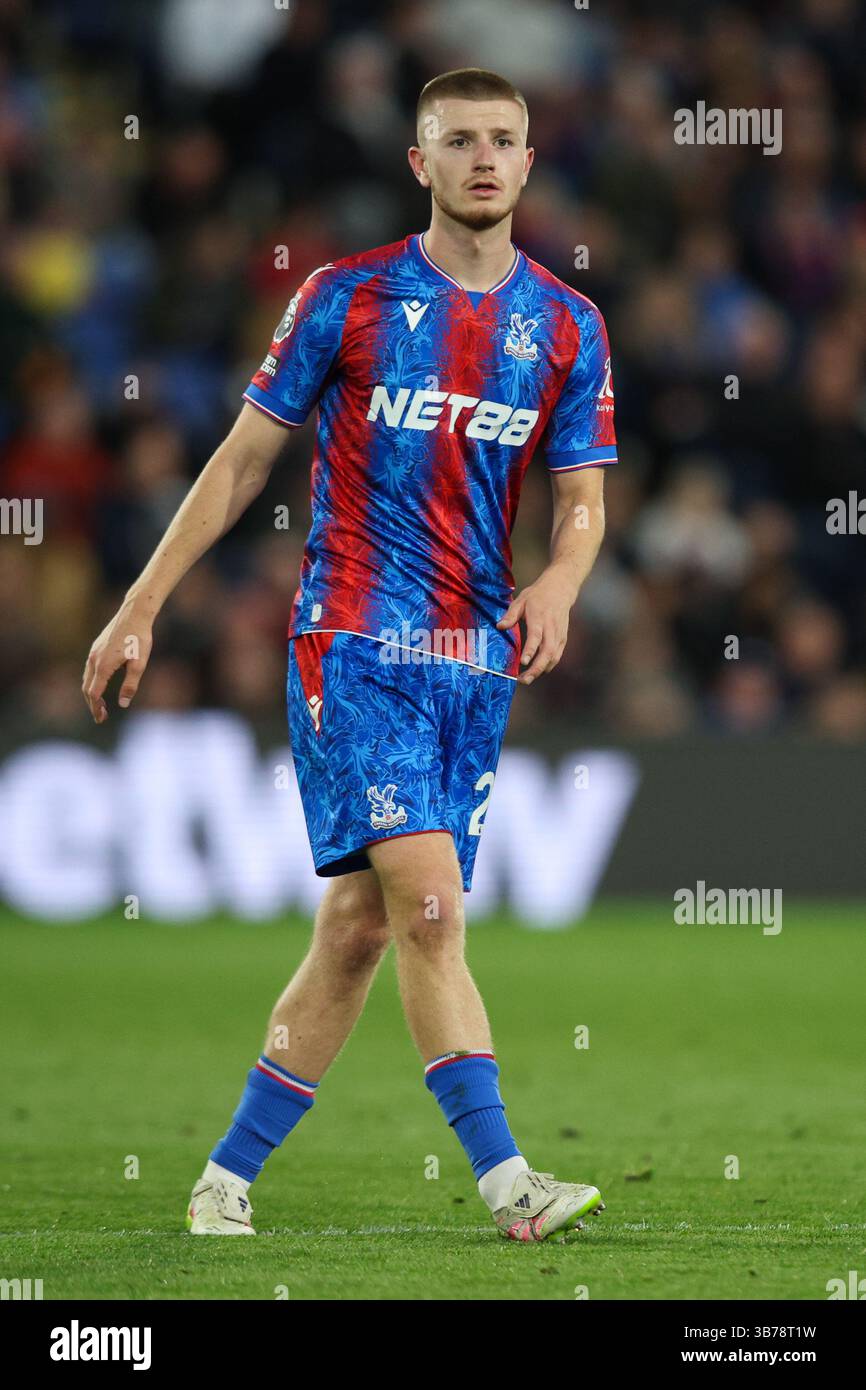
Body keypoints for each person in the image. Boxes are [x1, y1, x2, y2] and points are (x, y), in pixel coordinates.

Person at [83, 68, 616, 1243]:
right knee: (428, 907)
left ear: (529, 164)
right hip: (354, 642)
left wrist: (563, 580)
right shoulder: (346, 297)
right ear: (416, 161)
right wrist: (140, 604)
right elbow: (237, 464)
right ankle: (508, 1184)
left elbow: (581, 498)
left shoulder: (568, 326)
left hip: (474, 659)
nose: (483, 157)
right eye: (458, 140)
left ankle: (224, 1180)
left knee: (360, 928)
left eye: (504, 140)